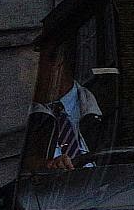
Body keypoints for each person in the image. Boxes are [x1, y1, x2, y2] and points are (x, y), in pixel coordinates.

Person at [23, 41, 102, 172]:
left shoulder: (108, 102)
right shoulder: (20, 119)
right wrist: (46, 166)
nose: (20, 77)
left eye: (28, 66)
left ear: (57, 63)